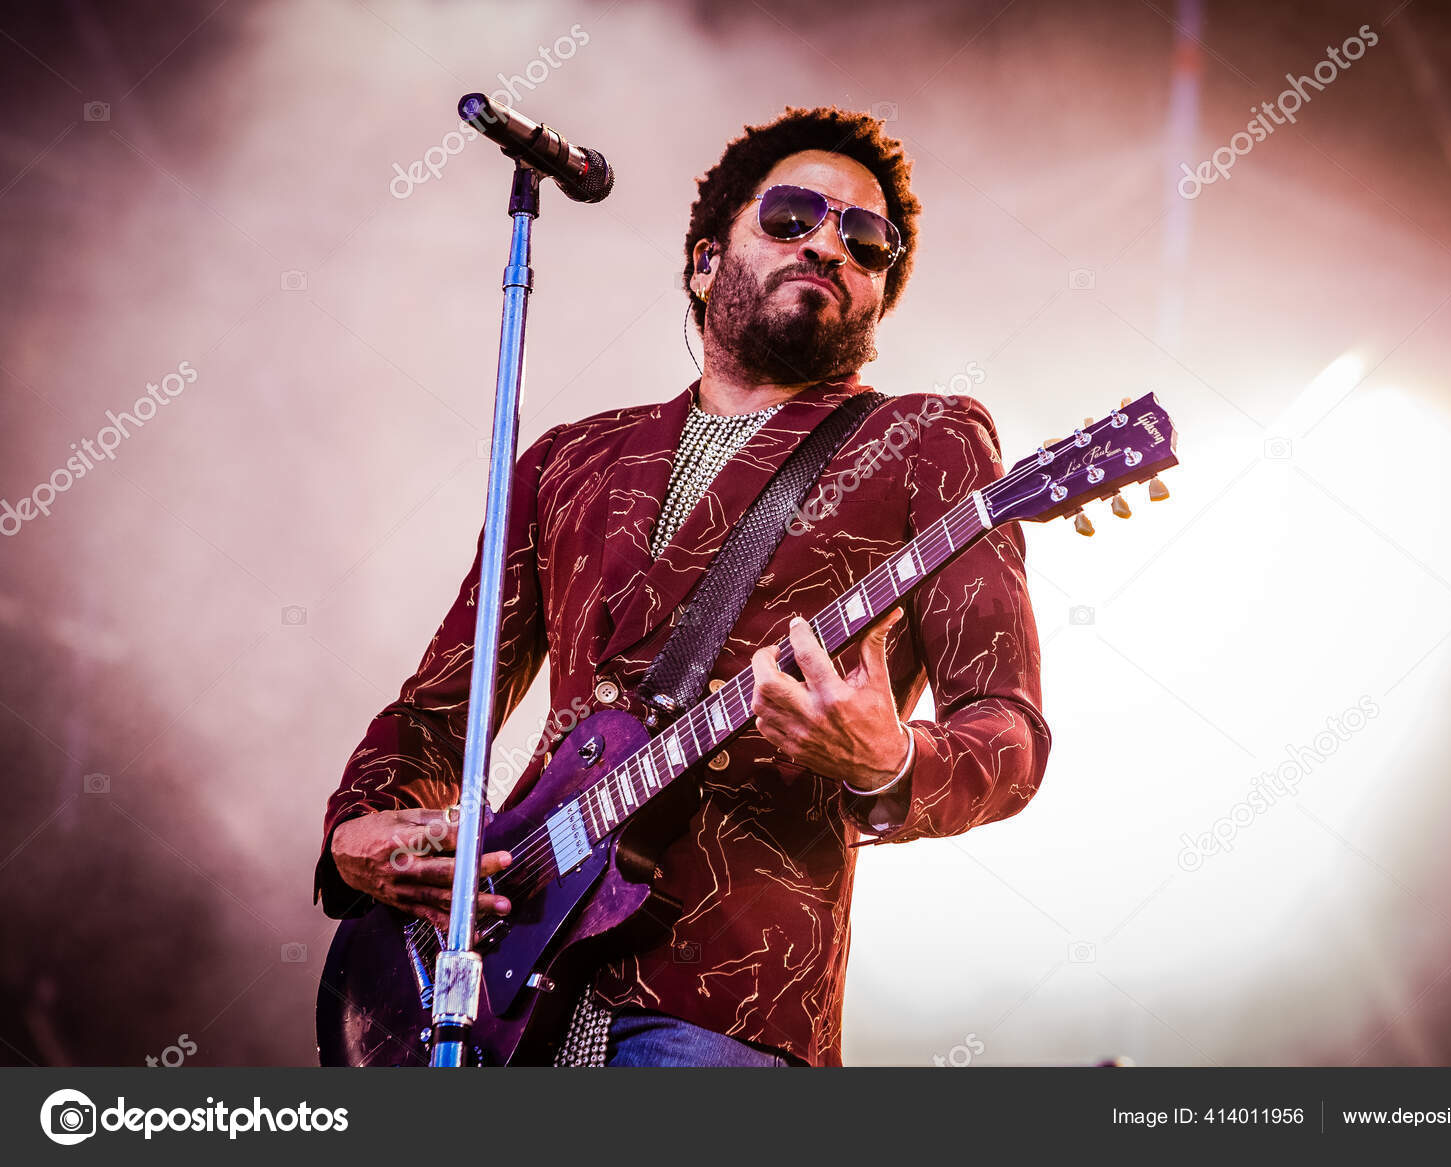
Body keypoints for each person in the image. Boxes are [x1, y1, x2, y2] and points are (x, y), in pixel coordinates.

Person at [315, 106, 1051, 1067]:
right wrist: (356, 833)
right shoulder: (571, 461)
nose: (831, 244)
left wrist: (889, 759)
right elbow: (438, 712)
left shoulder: (927, 439)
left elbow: (1011, 729)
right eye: (793, 216)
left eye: (868, 242)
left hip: (726, 998)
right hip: (498, 984)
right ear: (706, 260)